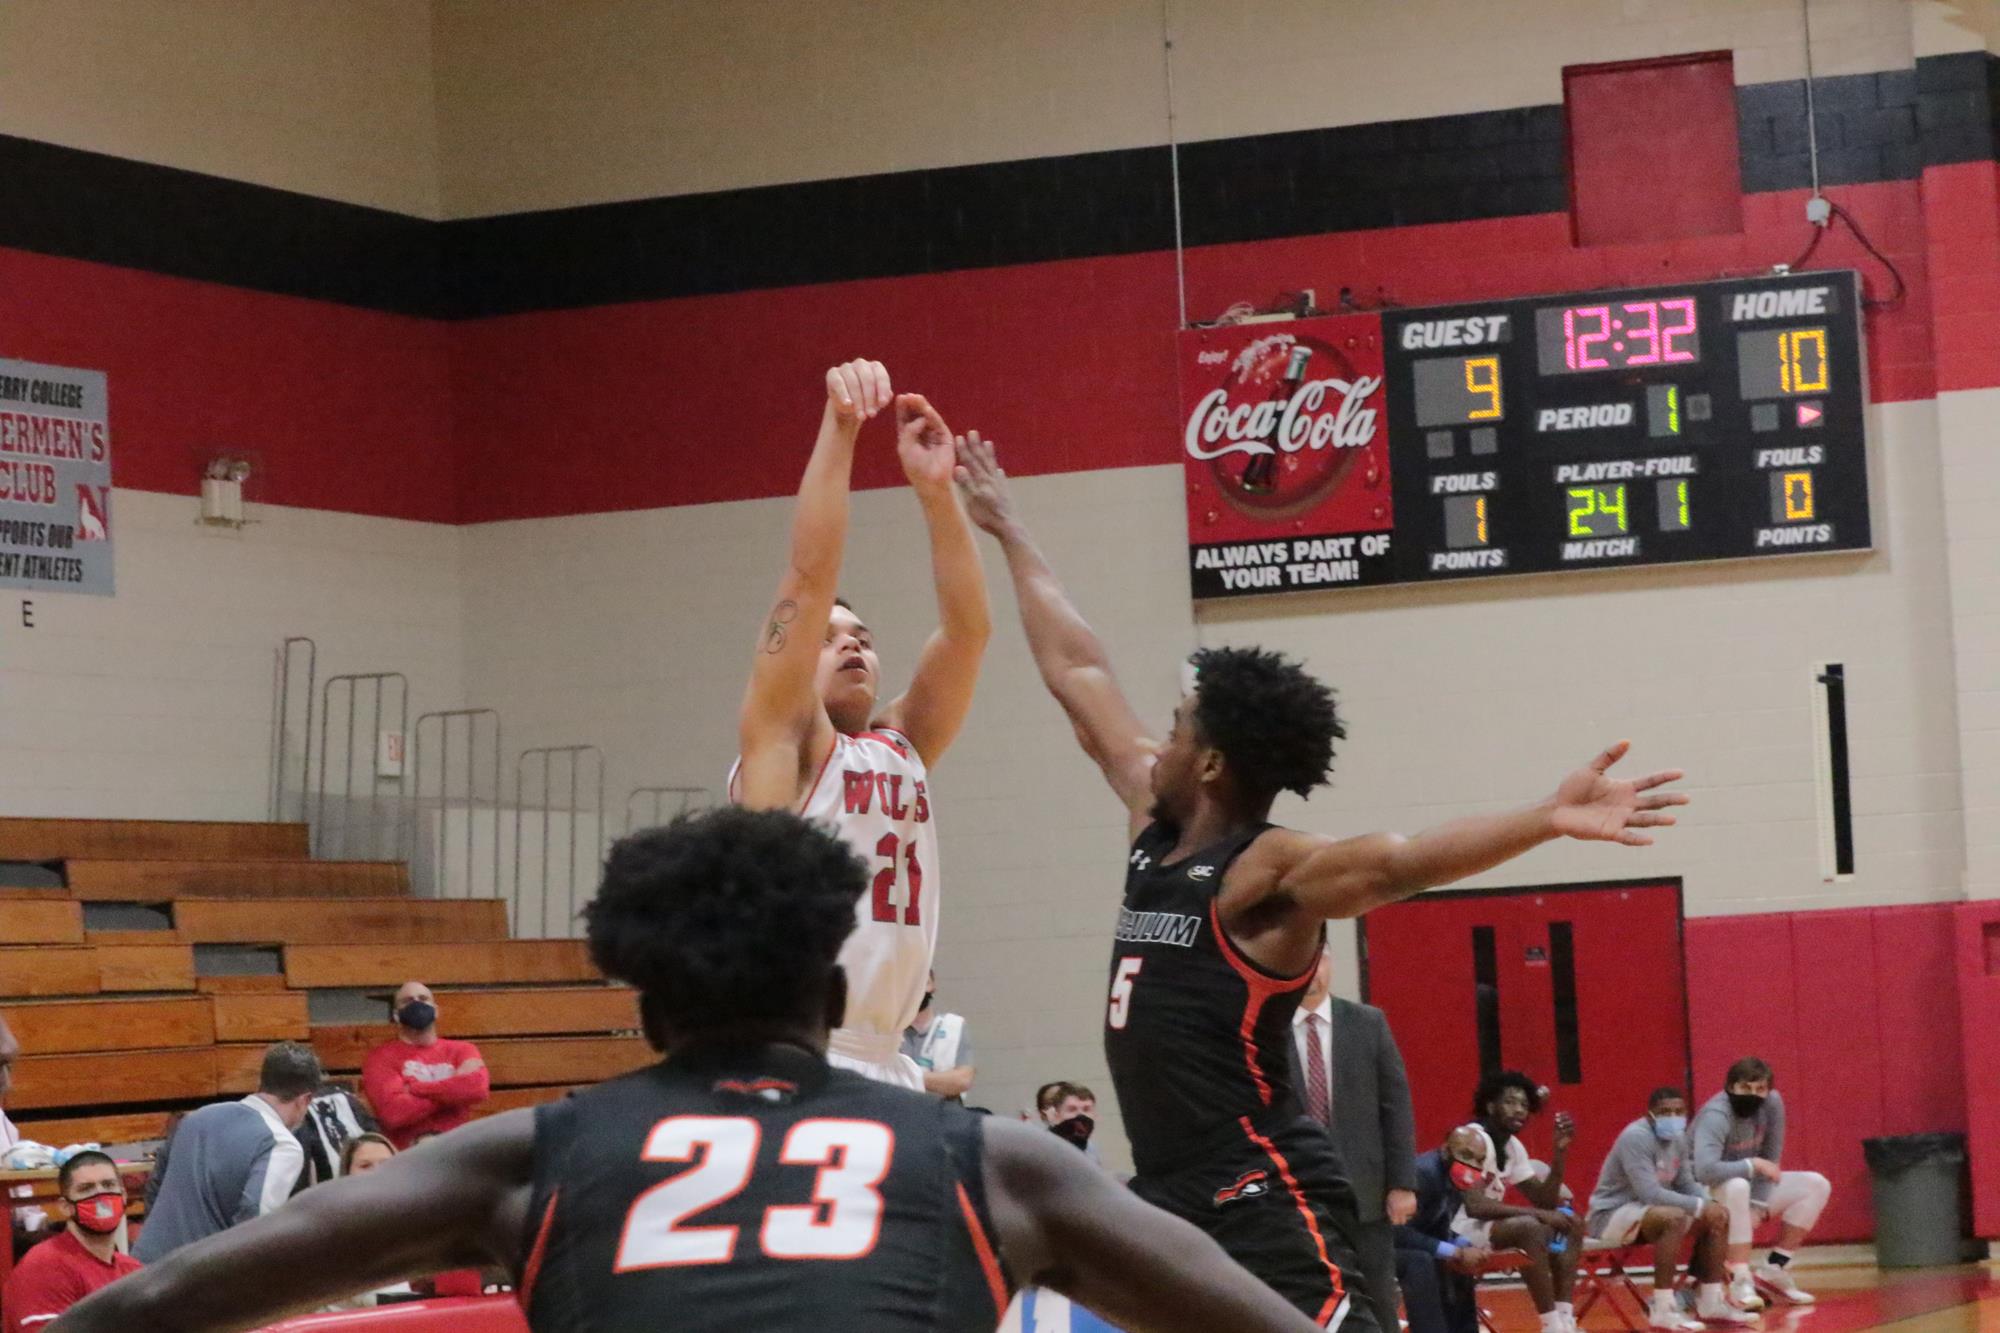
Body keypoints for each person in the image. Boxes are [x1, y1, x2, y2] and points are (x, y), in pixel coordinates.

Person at [50, 808, 1330, 1333]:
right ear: (832, 999)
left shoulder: (529, 1153)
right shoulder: (989, 1159)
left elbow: (151, 1309)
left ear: (649, 1006)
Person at [955, 434, 1687, 1327]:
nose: (1161, 738)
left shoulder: (1264, 869)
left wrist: (1543, 815)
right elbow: (1078, 671)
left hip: (1263, 1191)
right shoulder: (1155, 824)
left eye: (1181, 727)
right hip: (1167, 1190)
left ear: (1215, 760)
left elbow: (1398, 859)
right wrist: (1007, 525)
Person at [731, 359, 991, 1090]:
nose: (852, 641)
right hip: (800, 1048)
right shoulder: (784, 739)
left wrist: (938, 495)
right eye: (829, 635)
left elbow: (967, 631)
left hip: (887, 1058)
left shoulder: (900, 743)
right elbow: (809, 576)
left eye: (865, 635)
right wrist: (840, 427)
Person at [1288, 945, 1418, 1333]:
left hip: (1365, 1192)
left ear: (1331, 962)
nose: (1314, 972)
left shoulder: (1367, 1023)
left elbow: (1395, 1108)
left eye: (1321, 960)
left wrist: (1402, 1183)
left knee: (1378, 1294)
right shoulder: (1265, 1029)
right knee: (1299, 1296)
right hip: (1295, 1193)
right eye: (1303, 962)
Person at [132, 1042, 320, 1263]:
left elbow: (155, 1184)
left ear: (262, 1082)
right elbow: (257, 1221)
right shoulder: (282, 1144)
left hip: (143, 1268)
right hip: (199, 1280)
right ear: (305, 1099)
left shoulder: (197, 1117)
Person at [1587, 1087, 1747, 1329]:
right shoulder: (1636, 1137)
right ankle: (1663, 1308)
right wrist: (1700, 1205)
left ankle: (1711, 1301)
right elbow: (1649, 1193)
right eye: (1665, 1112)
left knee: (1719, 1215)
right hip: (1611, 1214)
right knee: (1673, 1218)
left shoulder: (1679, 1138)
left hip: (1647, 1212)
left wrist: (1709, 1204)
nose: (1672, 1117)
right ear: (1650, 1114)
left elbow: (1684, 1182)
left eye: (1678, 1111)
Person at [1691, 1057, 1828, 1308]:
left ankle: (1775, 1269)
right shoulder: (1716, 1114)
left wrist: (1757, 1204)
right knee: (1737, 1185)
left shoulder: (1772, 1104)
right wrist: (1751, 1165)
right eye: (1745, 1088)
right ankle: (1739, 1278)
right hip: (1702, 1196)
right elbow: (1704, 1171)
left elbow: (1771, 1161)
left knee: (1816, 1184)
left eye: (1760, 1089)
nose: (1753, 1095)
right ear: (1730, 1087)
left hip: (1745, 1191)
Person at [1458, 1073, 1582, 1333]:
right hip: (1456, 1228)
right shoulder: (1473, 1139)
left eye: (1524, 1105)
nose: (1519, 1110)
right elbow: (1475, 1206)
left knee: (1571, 1222)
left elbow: (1544, 1201)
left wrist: (1559, 1154)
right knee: (1529, 1227)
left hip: (1486, 1228)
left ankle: (1565, 1318)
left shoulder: (1513, 1146)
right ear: (1490, 1106)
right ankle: (1551, 1326)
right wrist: (1539, 1214)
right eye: (1510, 1102)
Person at [1, 1152, 141, 1333]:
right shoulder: (44, 1267)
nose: (100, 1195)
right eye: (86, 1188)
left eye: (108, 1185)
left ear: (123, 1196)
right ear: (65, 1207)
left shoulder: (133, 1271)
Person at [360, 981, 490, 1150]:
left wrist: (416, 1088)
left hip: (456, 1153)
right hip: (407, 1158)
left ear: (435, 1010)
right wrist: (453, 1085)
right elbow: (394, 1113)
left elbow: (477, 1089)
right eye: (407, 1001)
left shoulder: (463, 1050)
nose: (416, 1003)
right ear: (396, 1015)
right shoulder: (380, 1057)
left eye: (423, 998)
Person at [1393, 1128, 1490, 1333]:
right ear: (1446, 1150)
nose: (1472, 1165)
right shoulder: (1424, 1173)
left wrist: (1465, 1246)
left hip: (1410, 1242)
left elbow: (1439, 1226)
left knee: (1457, 1262)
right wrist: (1453, 1251)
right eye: (1466, 1155)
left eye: (1479, 1160)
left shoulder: (1454, 1179)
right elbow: (1398, 1232)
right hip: (1381, 1244)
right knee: (1420, 1261)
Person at [902, 968, 976, 1101]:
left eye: (923, 983)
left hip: (944, 1113)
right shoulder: (886, 1032)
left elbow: (962, 1080)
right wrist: (939, 1081)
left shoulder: (953, 1025)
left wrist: (909, 1078)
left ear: (932, 986)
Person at [1038, 1082, 1101, 1160]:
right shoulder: (1041, 1149)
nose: (1080, 1115)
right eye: (1072, 1109)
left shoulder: (1090, 1148)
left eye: (1086, 1109)